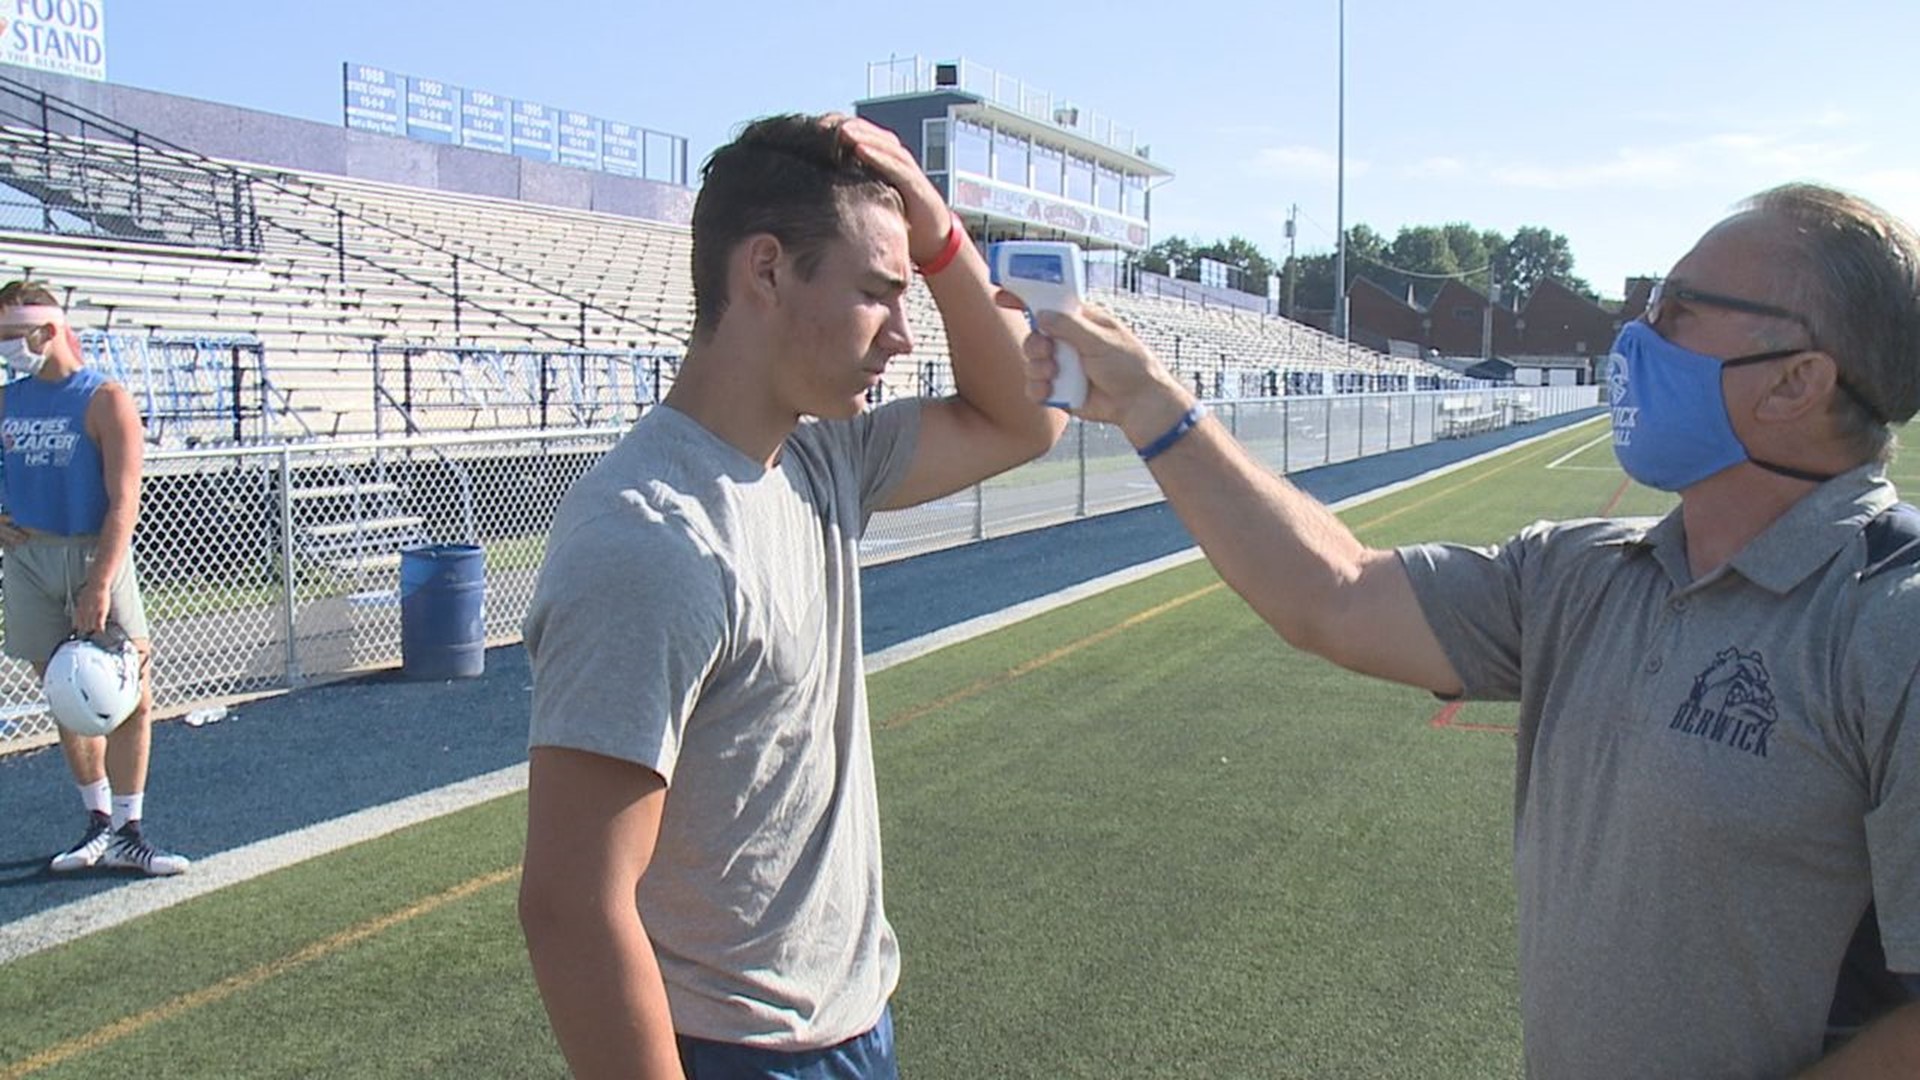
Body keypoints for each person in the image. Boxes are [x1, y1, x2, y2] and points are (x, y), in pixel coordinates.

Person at [1000, 183, 1919, 1077]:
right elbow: (1335, 593)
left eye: (1677, 308)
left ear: (1797, 380)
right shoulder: (1585, 574)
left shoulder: (1892, 619)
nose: (1635, 332)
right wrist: (1149, 401)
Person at [517, 114, 1065, 1079]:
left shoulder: (820, 455)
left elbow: (1028, 417)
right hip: (735, 1050)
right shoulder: (650, 537)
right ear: (765, 271)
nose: (903, 333)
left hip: (850, 1022)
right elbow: (572, 907)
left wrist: (938, 237)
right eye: (873, 294)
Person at [0, 281, 188, 877]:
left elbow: (122, 502)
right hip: (30, 559)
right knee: (65, 692)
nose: (7, 349)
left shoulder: (104, 398)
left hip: (94, 554)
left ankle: (132, 829)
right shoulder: (8, 400)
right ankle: (97, 822)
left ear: (46, 329)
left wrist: (100, 582)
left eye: (12, 336)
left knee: (130, 691)